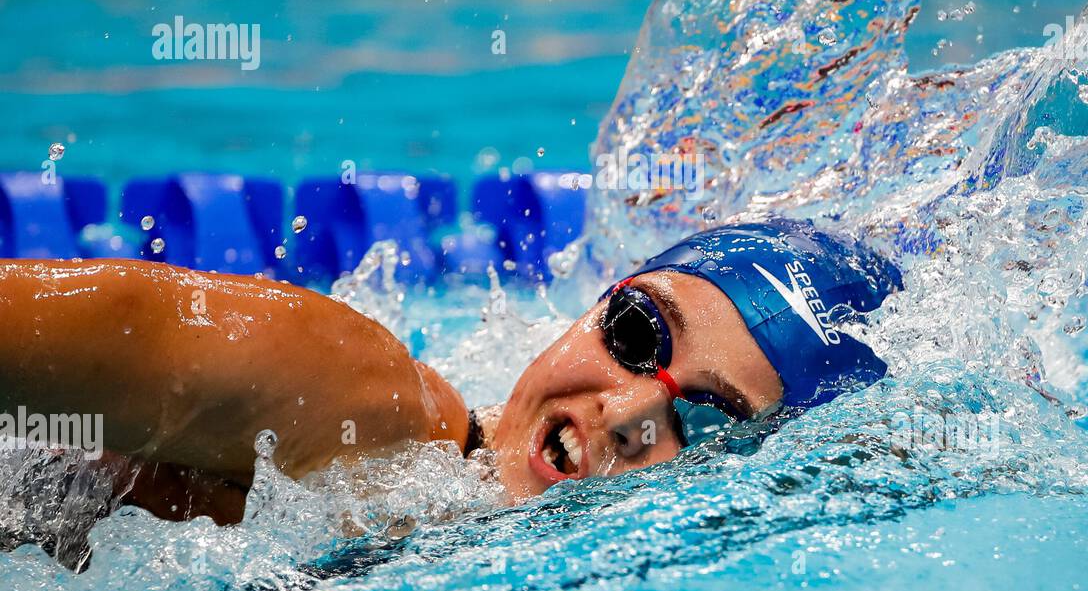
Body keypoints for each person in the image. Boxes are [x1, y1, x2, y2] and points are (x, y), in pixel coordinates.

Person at [0, 219, 900, 524]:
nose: (624, 410)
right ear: (597, 301)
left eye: (706, 420)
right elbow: (109, 322)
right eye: (635, 332)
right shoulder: (354, 393)